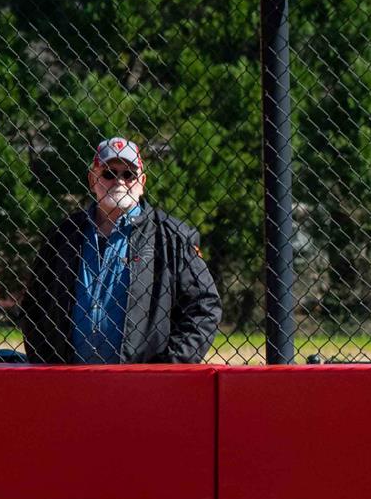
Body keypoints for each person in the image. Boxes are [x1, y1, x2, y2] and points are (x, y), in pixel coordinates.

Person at [16, 137, 221, 364]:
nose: (119, 181)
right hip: (69, 383)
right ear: (92, 180)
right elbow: (33, 305)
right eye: (109, 173)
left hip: (140, 387)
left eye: (128, 174)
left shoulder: (171, 237)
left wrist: (168, 367)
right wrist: (47, 364)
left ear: (142, 182)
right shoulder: (63, 236)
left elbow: (204, 306)